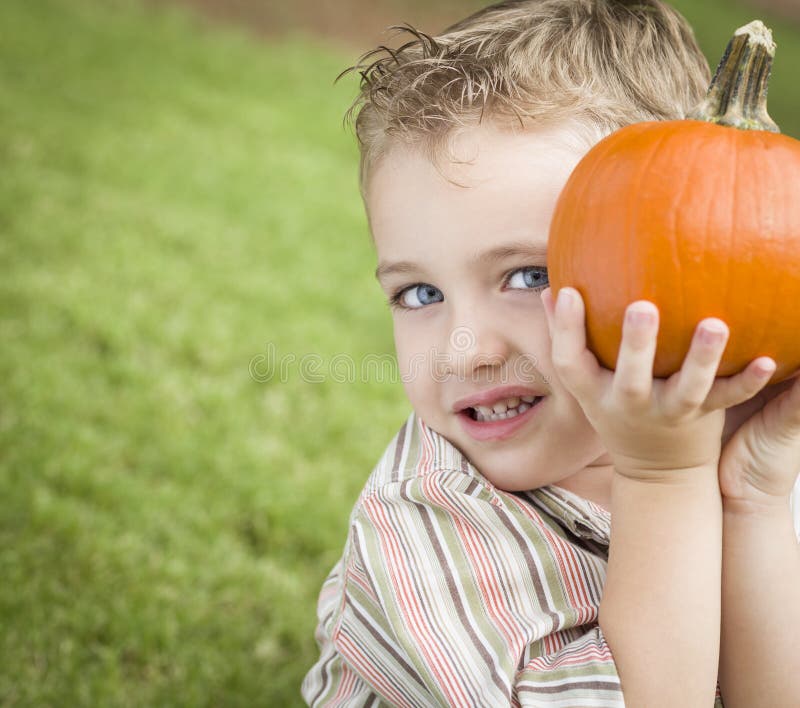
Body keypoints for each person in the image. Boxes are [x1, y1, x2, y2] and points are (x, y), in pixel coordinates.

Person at [302, 1, 800, 705]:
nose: (466, 352)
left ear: (683, 247)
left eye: (530, 276)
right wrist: (664, 477)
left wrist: (750, 502)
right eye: (419, 293)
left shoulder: (743, 440)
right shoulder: (424, 530)